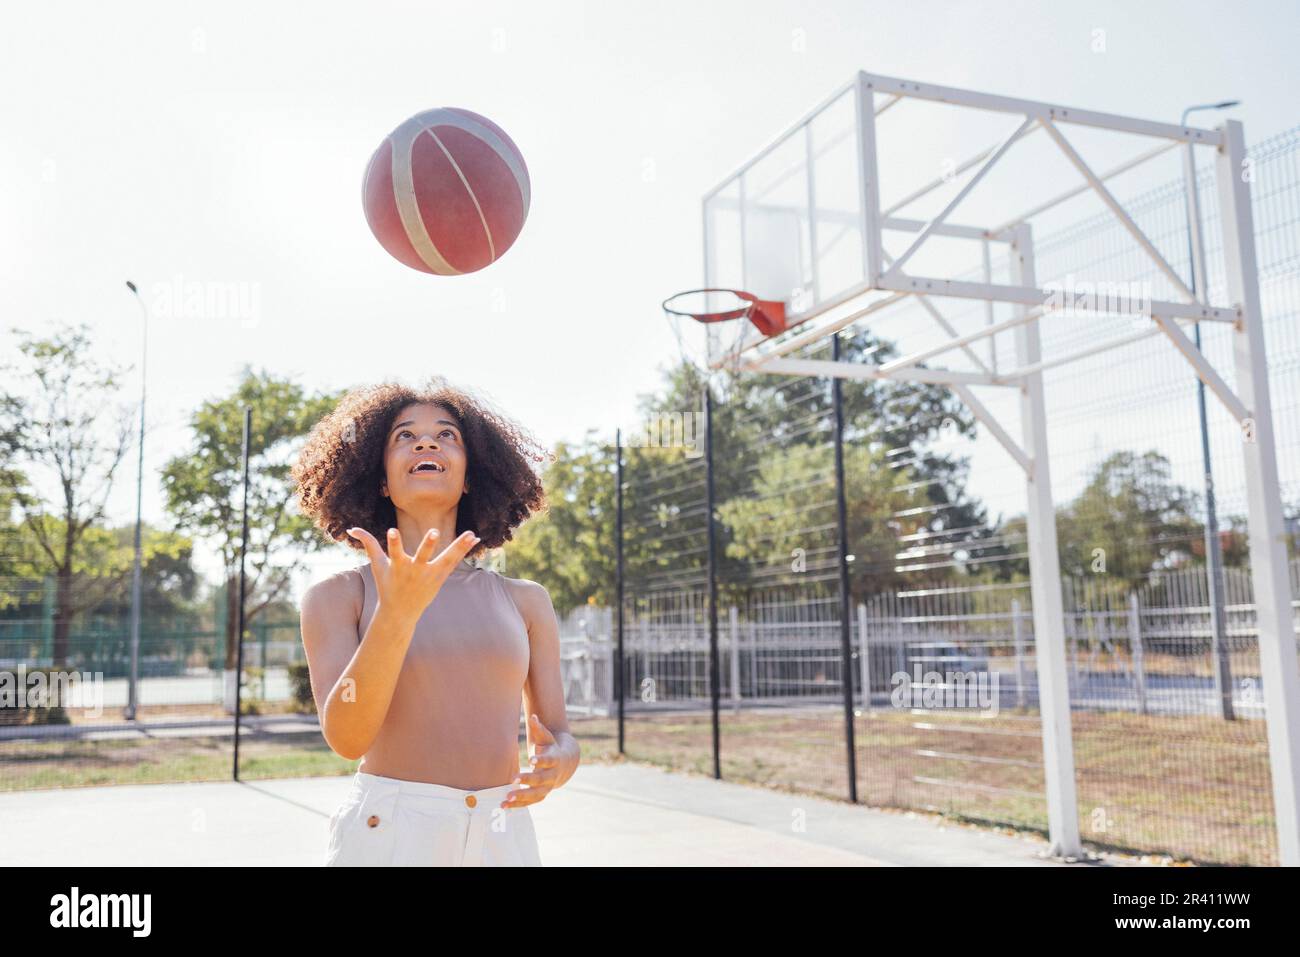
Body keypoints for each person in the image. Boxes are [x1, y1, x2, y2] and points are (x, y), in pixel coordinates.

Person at [292, 378, 578, 866]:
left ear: (470, 476)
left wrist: (561, 762)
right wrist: (396, 616)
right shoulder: (338, 597)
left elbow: (559, 733)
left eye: (447, 435)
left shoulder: (527, 601)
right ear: (381, 479)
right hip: (391, 833)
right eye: (404, 435)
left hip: (502, 830)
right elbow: (346, 738)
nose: (426, 442)